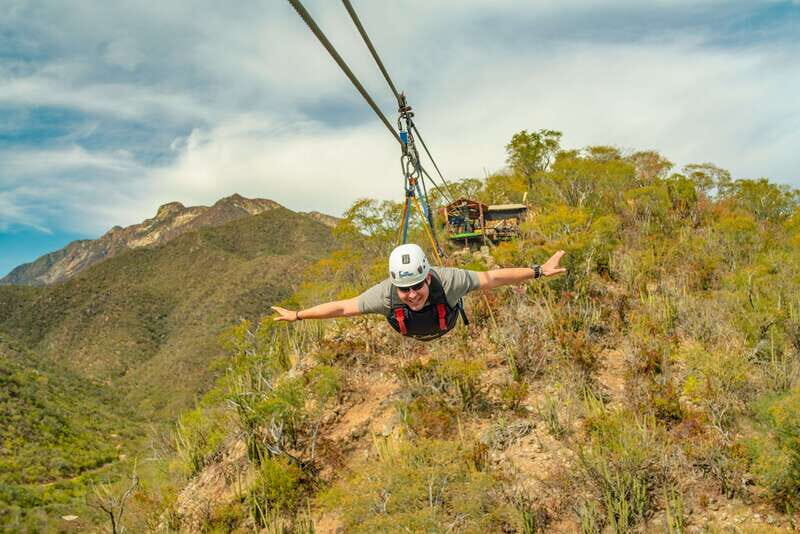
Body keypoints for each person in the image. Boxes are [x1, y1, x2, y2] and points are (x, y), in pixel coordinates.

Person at [272, 243, 567, 341]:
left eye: (417, 286)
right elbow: (342, 308)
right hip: (413, 332)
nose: (412, 294)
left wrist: (539, 271)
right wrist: (298, 316)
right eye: (404, 289)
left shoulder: (449, 281)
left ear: (427, 278)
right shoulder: (385, 295)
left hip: (446, 324)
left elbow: (492, 278)